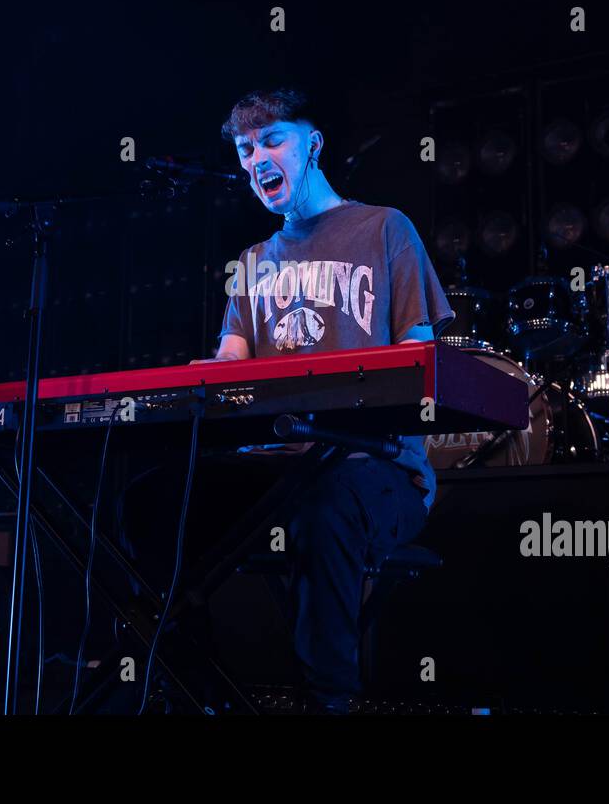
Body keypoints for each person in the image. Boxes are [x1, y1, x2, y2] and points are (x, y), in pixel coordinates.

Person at [119, 87, 454, 714]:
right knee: (150, 502)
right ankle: (196, 691)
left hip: (377, 472)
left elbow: (419, 355)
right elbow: (233, 362)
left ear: (313, 143)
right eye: (247, 150)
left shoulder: (385, 228)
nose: (257, 159)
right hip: (280, 473)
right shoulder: (252, 262)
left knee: (323, 507)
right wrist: (208, 374)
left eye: (272, 140)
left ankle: (330, 702)